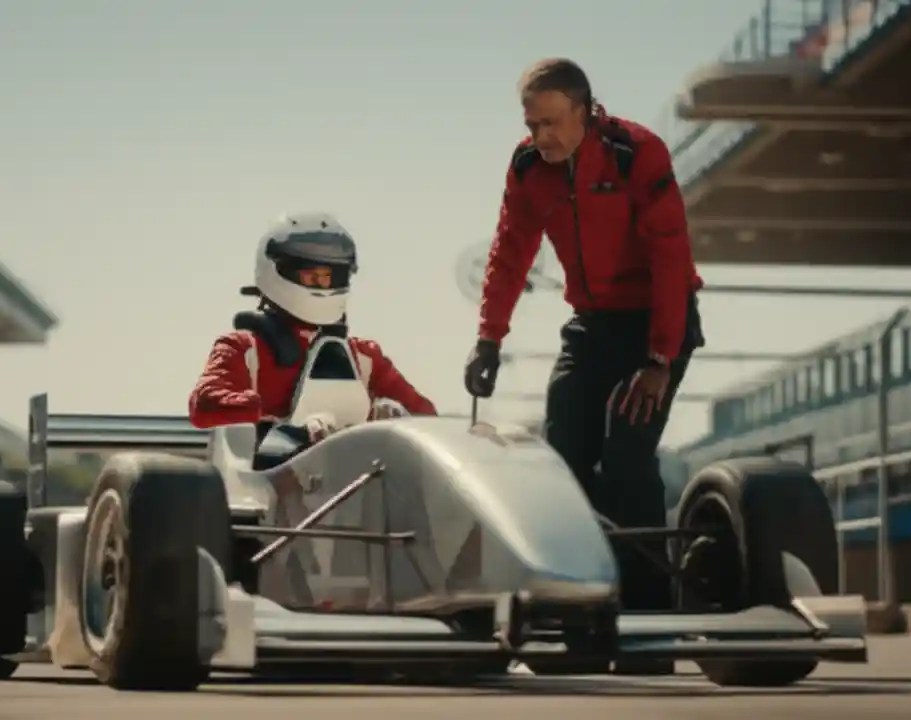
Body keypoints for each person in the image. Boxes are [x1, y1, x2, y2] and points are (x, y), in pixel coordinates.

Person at [462, 58, 706, 636]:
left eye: (550, 123)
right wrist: (489, 339)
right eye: (531, 124)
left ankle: (650, 618)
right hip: (593, 326)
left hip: (656, 326)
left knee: (626, 459)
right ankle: (580, 604)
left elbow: (672, 259)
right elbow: (509, 253)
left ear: (585, 111)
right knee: (562, 455)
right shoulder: (528, 169)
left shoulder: (636, 155)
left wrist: (659, 360)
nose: (539, 137)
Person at [189, 211, 437, 443]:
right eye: (311, 276)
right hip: (266, 482)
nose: (321, 285)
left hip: (353, 482)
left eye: (328, 277)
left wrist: (397, 415)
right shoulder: (244, 348)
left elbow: (428, 419)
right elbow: (204, 405)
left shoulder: (364, 357)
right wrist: (281, 421)